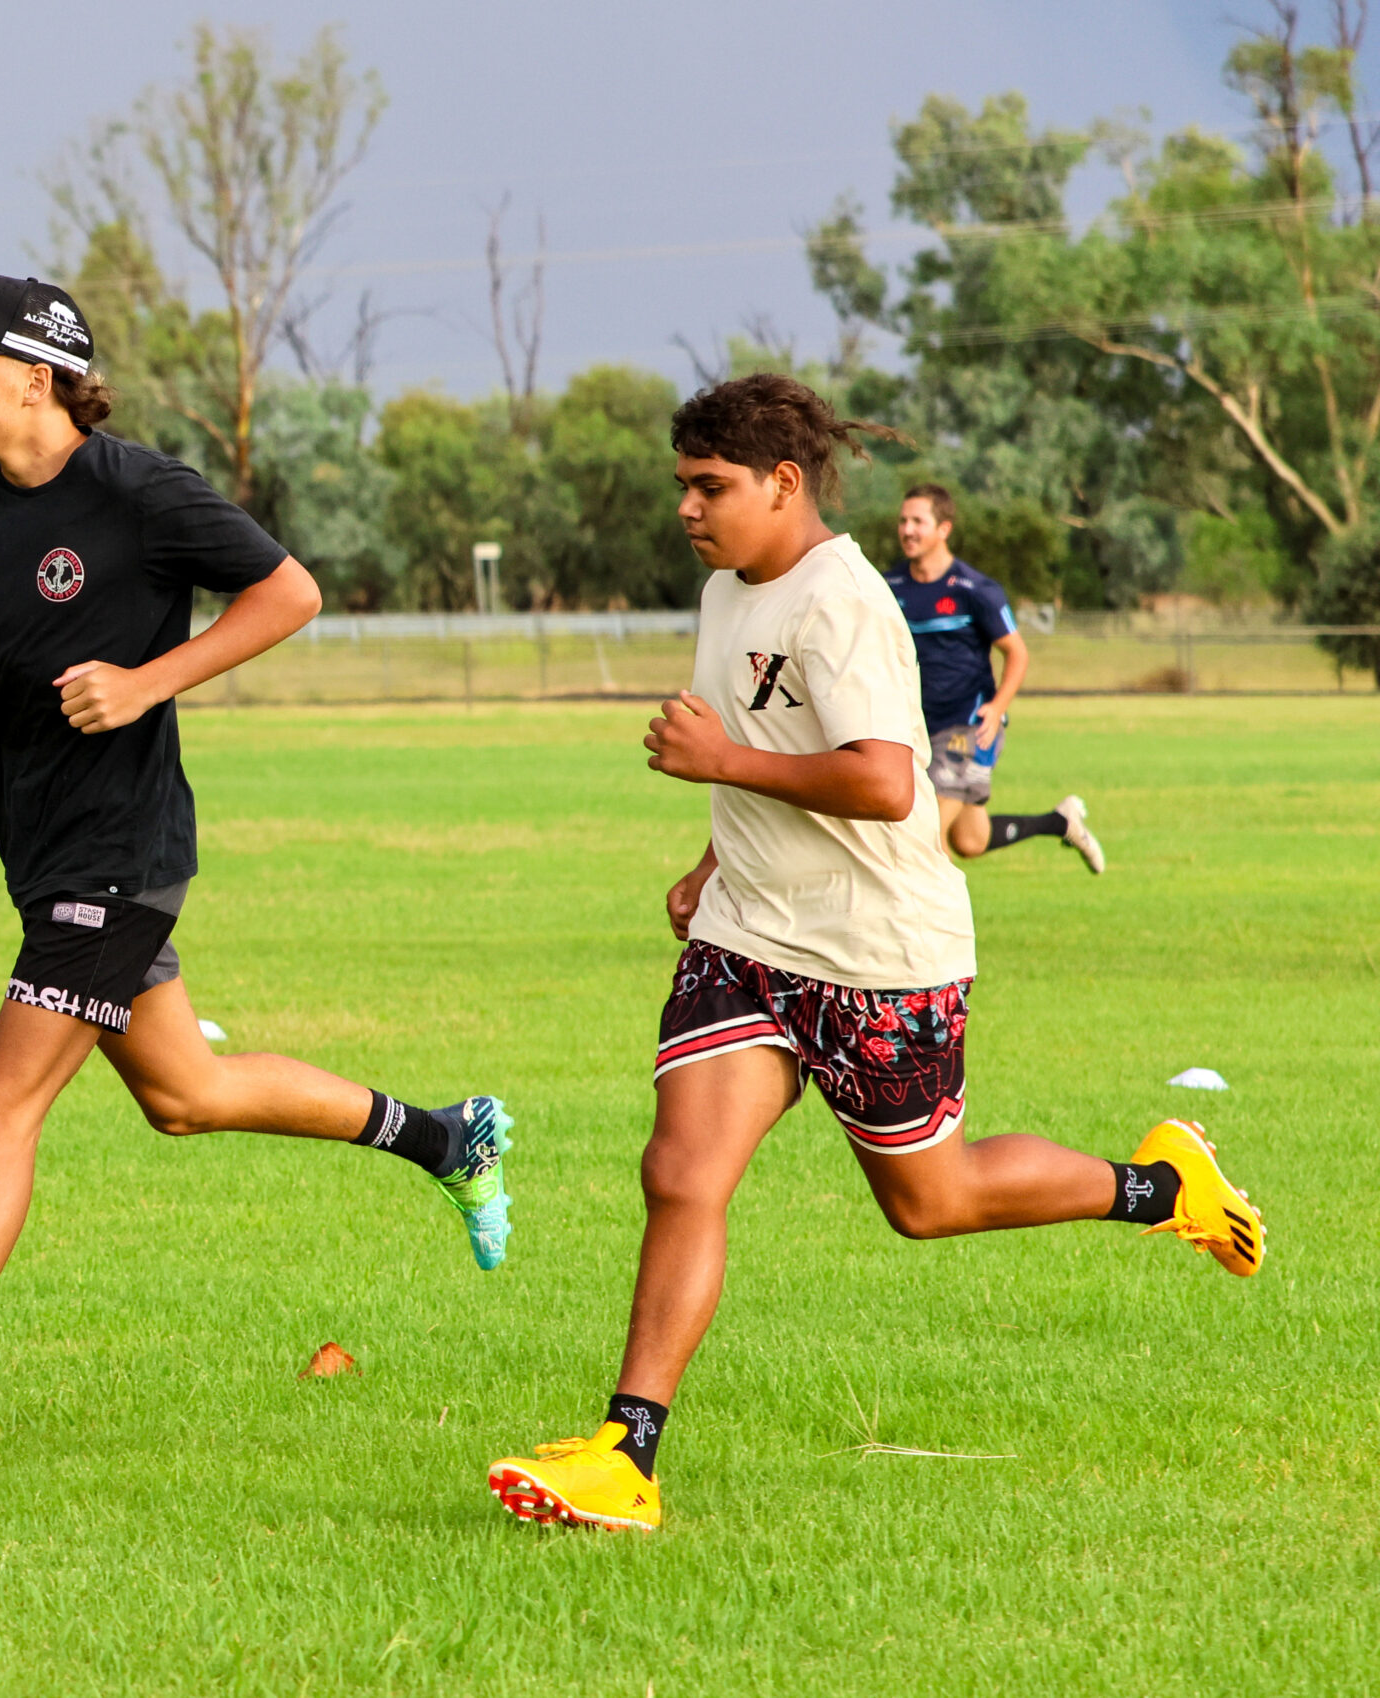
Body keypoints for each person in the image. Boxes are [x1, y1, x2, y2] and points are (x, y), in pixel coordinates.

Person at [0, 272, 515, 1495]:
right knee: (183, 1091)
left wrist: (155, 679)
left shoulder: (143, 490)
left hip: (122, 851)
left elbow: (290, 591)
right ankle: (445, 1137)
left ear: (36, 380)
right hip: (37, 848)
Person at [486, 375, 1263, 1534]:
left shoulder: (841, 602)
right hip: (747, 935)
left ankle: (1159, 1185)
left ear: (782, 483)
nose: (688, 509)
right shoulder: (722, 590)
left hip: (876, 955)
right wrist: (713, 860)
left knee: (928, 1199)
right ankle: (626, 1452)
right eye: (683, 486)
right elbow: (760, 739)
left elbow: (881, 778)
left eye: (710, 487)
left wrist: (719, 770)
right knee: (680, 1171)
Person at [886, 484, 1103, 871]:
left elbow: (1016, 652)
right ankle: (1061, 821)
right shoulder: (890, 587)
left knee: (924, 837)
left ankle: (944, 932)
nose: (907, 529)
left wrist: (997, 707)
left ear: (944, 529)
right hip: (919, 729)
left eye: (918, 521)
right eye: (903, 521)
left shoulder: (977, 590)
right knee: (970, 841)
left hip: (968, 727)